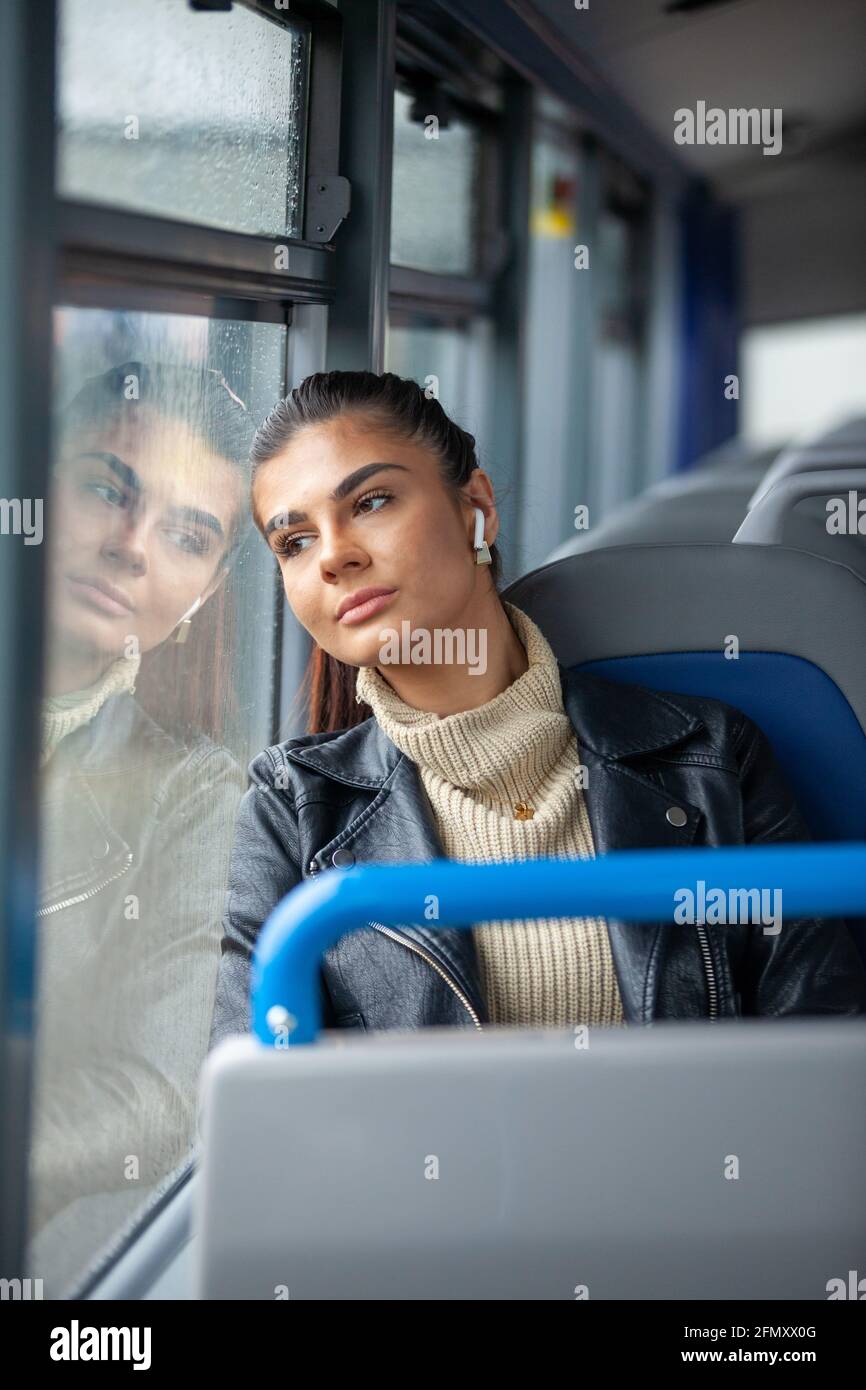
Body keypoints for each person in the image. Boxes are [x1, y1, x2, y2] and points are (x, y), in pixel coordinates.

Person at [210, 369, 866, 1045]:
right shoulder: (292, 805)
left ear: (477, 510)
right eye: (295, 542)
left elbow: (817, 1055)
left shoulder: (711, 755)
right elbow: (260, 1098)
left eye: (372, 502)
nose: (335, 557)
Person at [29, 361, 250, 1294]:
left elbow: (158, 1093)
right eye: (104, 491)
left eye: (187, 535)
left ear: (202, 596)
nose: (130, 547)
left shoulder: (193, 799)